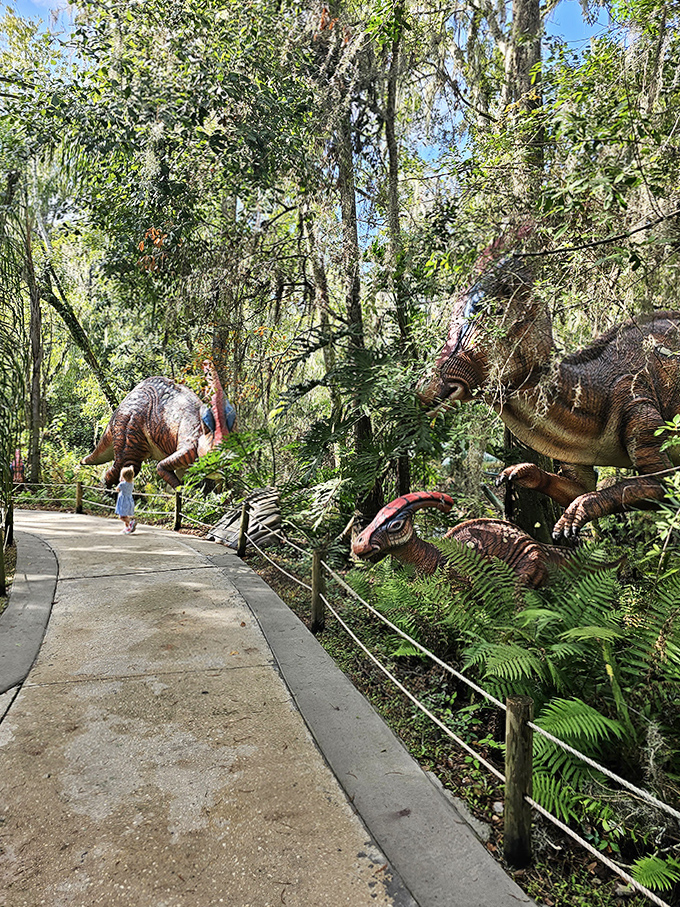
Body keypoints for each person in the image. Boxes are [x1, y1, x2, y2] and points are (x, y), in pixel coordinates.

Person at [115, 465, 137, 534]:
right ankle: (127, 528)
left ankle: (131, 522)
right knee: (125, 515)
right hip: (129, 501)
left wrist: (120, 480)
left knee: (121, 517)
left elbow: (117, 489)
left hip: (123, 502)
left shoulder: (122, 484)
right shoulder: (131, 484)